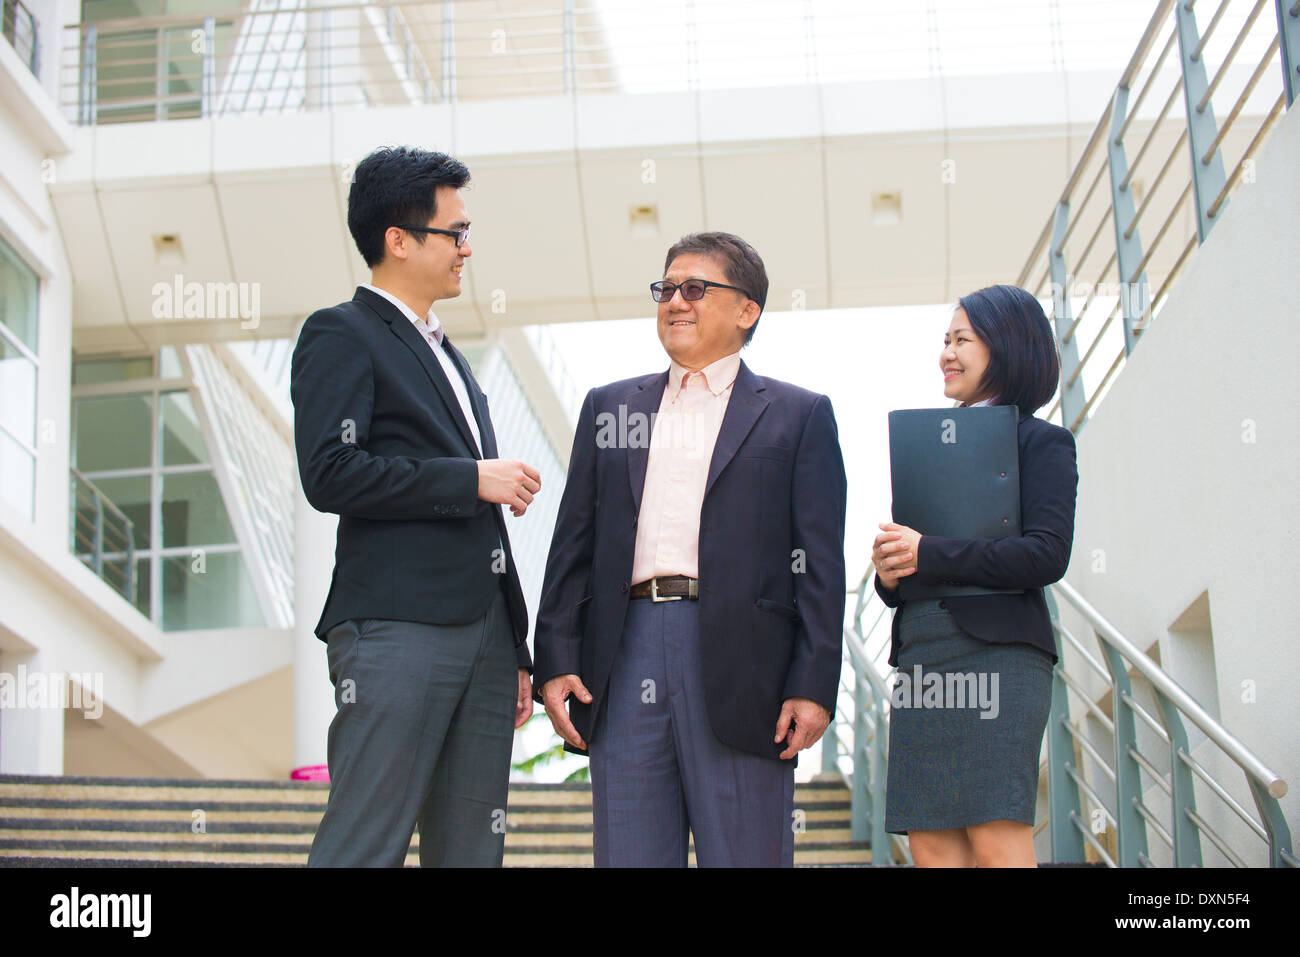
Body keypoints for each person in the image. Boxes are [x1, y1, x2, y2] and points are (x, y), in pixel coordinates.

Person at [533, 231, 847, 867]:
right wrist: (556, 656)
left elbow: (819, 566)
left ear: (746, 310)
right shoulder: (610, 407)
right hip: (624, 657)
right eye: (666, 288)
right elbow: (574, 545)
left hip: (744, 665)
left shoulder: (799, 415)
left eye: (696, 288)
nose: (675, 301)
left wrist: (813, 683)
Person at [291, 146, 540, 867]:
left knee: (471, 854)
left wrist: (513, 647)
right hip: (398, 630)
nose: (467, 248)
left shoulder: (452, 357)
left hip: (486, 639)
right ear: (398, 240)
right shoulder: (342, 331)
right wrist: (469, 478)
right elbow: (331, 472)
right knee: (365, 845)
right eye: (453, 232)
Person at [872, 283, 1078, 867]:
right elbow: (924, 564)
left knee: (995, 835)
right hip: (922, 653)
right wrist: (894, 572)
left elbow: (1045, 555)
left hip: (1000, 655)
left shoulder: (1041, 442)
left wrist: (929, 552)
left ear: (1007, 346)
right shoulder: (929, 445)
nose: (946, 353)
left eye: (961, 339)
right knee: (931, 844)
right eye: (944, 340)